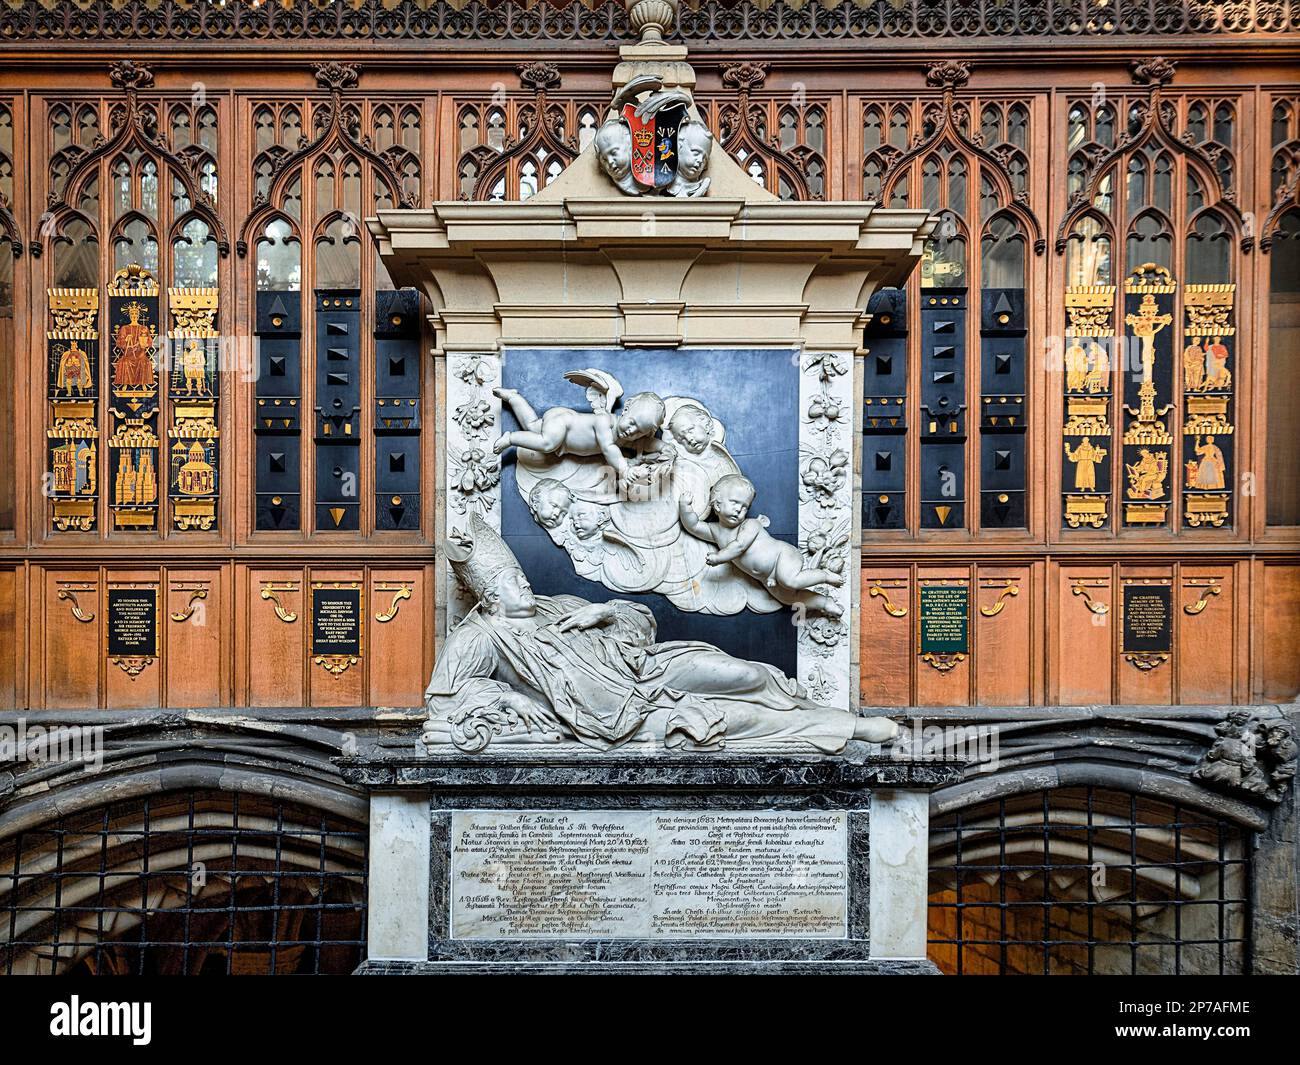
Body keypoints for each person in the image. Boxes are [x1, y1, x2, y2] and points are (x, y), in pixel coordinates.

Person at [423, 513, 893, 754]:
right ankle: (844, 728)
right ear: (489, 597)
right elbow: (441, 705)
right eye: (512, 583)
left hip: (645, 667)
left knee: (742, 674)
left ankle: (811, 707)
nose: (525, 584)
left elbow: (640, 623)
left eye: (522, 577)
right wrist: (511, 699)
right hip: (611, 715)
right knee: (730, 721)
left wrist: (603, 612)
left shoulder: (554, 606)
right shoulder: (479, 636)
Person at [678, 474, 844, 617]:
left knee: (790, 581)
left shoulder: (750, 525)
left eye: (745, 507)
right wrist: (685, 508)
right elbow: (693, 527)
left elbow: (739, 546)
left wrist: (719, 557)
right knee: (787, 598)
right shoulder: (716, 532)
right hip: (766, 578)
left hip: (782, 557)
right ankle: (823, 602)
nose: (739, 510)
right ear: (717, 504)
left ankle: (824, 575)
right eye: (735, 502)